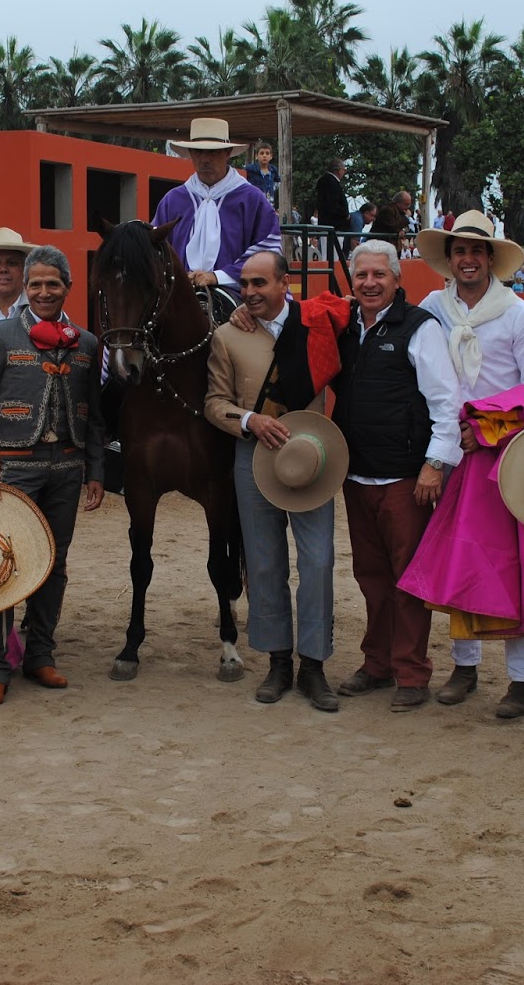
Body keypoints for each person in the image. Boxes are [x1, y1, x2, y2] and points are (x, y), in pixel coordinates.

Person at [0, 245, 105, 708]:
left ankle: (40, 653)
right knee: (0, 562)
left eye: (53, 284)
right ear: (26, 288)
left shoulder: (86, 343)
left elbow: (97, 418)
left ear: (67, 287)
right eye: (36, 284)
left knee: (54, 563)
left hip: (67, 466)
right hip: (14, 468)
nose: (44, 291)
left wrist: (96, 471)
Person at [416, 210, 524, 714]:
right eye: (459, 251)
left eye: (476, 251)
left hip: (502, 452)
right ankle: (464, 666)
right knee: (458, 562)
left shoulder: (518, 315)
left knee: (513, 565)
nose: (467, 259)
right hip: (450, 449)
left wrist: (485, 425)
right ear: (449, 260)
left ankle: (522, 679)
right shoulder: (431, 307)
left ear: (490, 258)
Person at [330, 241, 462, 712]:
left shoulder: (420, 329)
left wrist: (434, 464)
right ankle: (377, 663)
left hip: (406, 477)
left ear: (397, 279)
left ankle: (411, 672)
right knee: (370, 576)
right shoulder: (344, 326)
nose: (369, 283)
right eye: (361, 275)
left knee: (407, 577)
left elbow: (447, 402)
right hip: (356, 474)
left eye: (379, 275)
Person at [205, 251, 339, 712]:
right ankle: (279, 661)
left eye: (260, 283)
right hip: (253, 456)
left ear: (286, 284)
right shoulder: (227, 335)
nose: (249, 292)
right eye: (244, 284)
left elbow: (357, 305)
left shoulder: (319, 322)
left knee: (319, 561)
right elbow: (214, 402)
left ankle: (314, 665)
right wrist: (249, 420)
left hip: (313, 454)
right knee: (263, 562)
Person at [152, 118, 281, 297]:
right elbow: (154, 250)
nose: (205, 159)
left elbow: (269, 252)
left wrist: (218, 276)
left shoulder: (252, 199)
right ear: (190, 153)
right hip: (177, 297)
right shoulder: (173, 200)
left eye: (212, 152)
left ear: (227, 152)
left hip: (240, 297)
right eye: (198, 152)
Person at [315, 158, 350, 260]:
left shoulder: (325, 181)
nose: (344, 172)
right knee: (333, 255)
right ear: (338, 170)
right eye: (344, 169)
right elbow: (333, 204)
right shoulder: (331, 183)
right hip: (333, 225)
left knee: (330, 254)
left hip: (328, 225)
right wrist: (346, 215)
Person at [244, 141, 280, 206]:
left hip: (269, 202)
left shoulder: (273, 170)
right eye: (262, 153)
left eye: (267, 153)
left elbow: (277, 182)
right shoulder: (250, 169)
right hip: (254, 202)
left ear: (271, 156)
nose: (264, 156)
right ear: (256, 156)